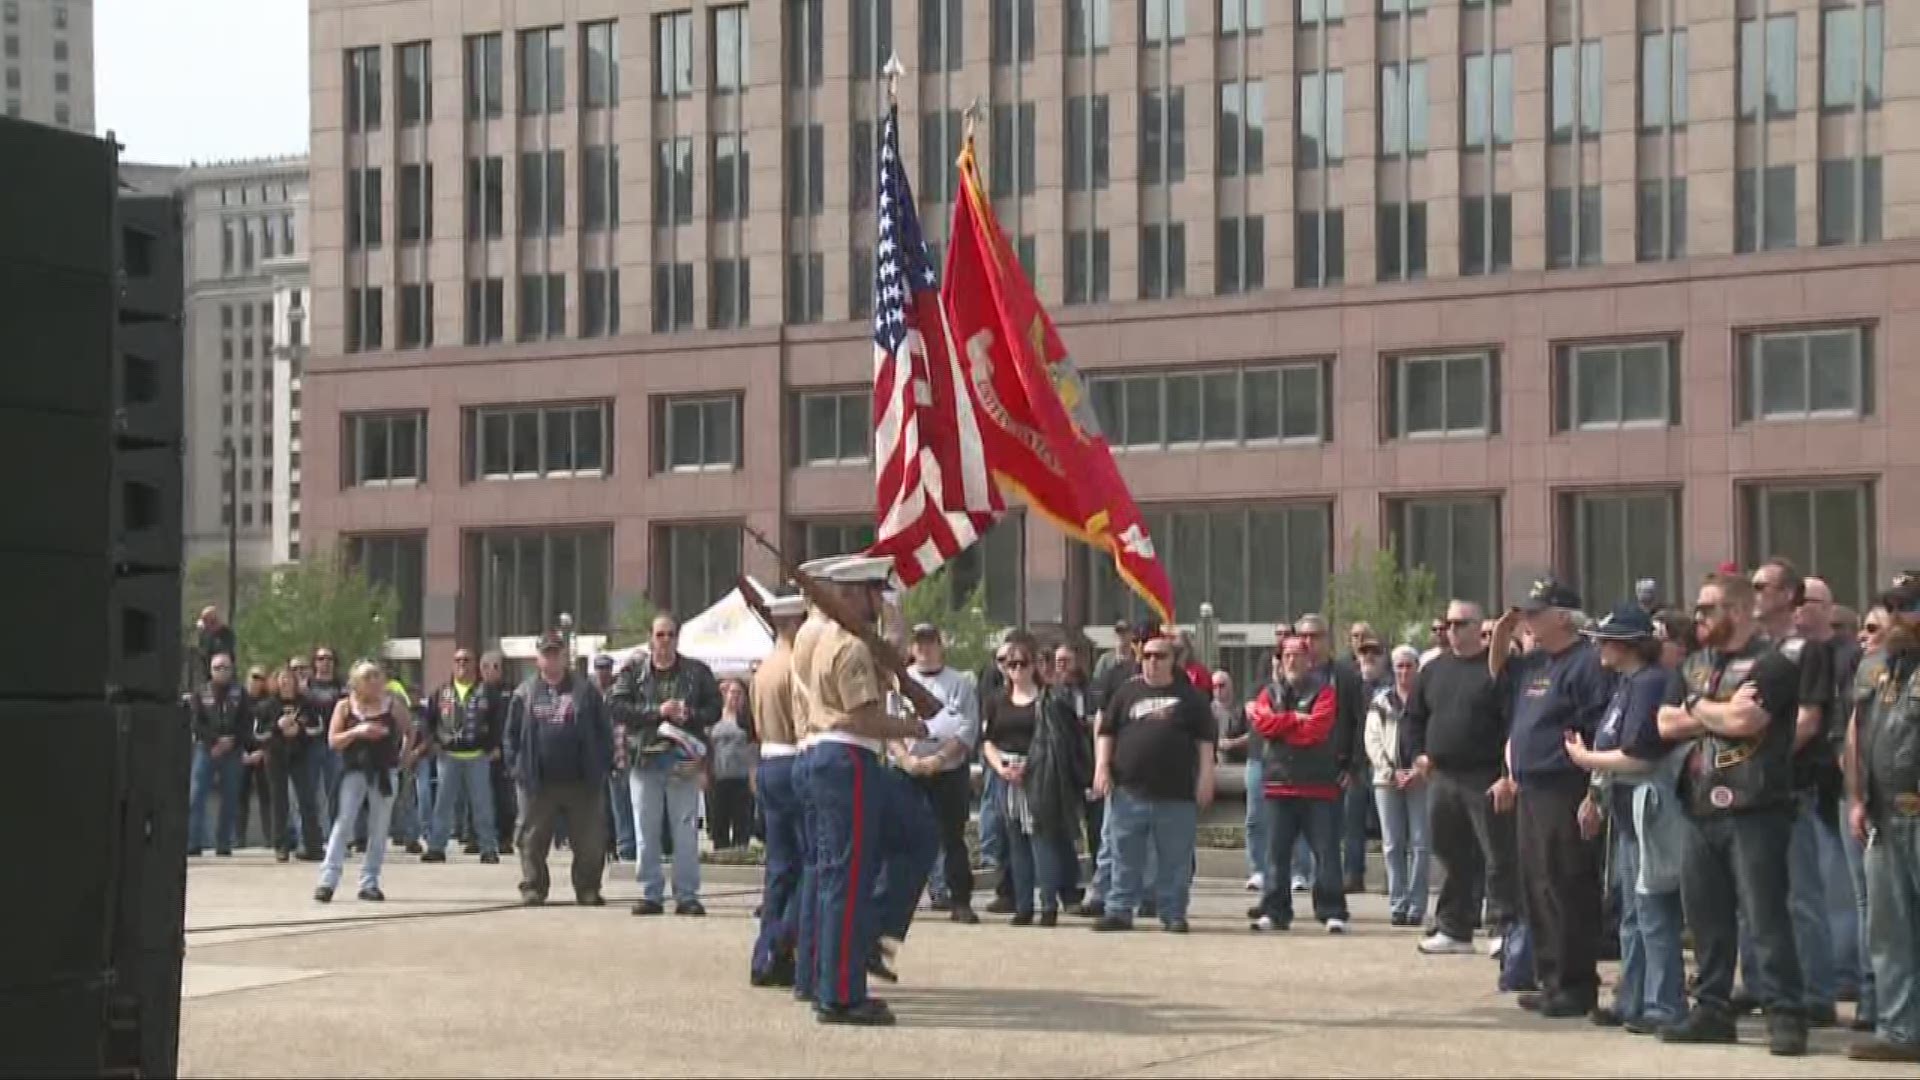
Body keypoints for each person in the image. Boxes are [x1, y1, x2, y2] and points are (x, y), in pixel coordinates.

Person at [1655, 572, 1807, 1056]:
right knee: (1706, 918)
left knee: (1765, 916)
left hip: (1755, 806)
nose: (1698, 617)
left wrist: (1697, 708)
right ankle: (1711, 1010)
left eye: (1708, 609)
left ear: (1738, 611)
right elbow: (1664, 723)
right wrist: (1711, 707)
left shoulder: (1773, 663)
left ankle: (1785, 1013)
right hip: (1699, 803)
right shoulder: (1696, 663)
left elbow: (1747, 722)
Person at [794, 554, 934, 1026]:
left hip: (836, 759)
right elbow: (862, 716)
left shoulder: (842, 639)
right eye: (875, 591)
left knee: (845, 875)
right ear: (854, 594)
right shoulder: (849, 646)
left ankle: (834, 977)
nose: (882, 598)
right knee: (847, 880)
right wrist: (911, 727)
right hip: (847, 757)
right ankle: (840, 994)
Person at [1488, 578, 1612, 1018]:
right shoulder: (1535, 662)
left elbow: (1600, 727)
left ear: (1563, 617)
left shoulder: (1587, 663)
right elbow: (1499, 672)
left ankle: (1576, 984)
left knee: (1567, 886)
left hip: (1565, 786)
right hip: (1531, 788)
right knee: (1536, 887)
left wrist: (1595, 792)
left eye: (1536, 613)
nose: (1529, 620)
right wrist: (1504, 630)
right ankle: (1550, 977)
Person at [1563, 605, 1688, 1036]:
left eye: (1605, 639)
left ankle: (1664, 1003)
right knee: (1632, 913)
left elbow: (1639, 755)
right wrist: (1595, 792)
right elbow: (1614, 745)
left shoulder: (1652, 682)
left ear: (1627, 644)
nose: (1598, 645)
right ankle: (1632, 998)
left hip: (1648, 805)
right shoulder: (1625, 684)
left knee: (1653, 909)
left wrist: (1584, 759)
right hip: (1624, 806)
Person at [1744, 558, 1838, 1025]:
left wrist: (1753, 746)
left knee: (1802, 896)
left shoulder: (1808, 650)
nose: (1753, 592)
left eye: (1761, 585)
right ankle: (1763, 985)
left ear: (1787, 595)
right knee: (1757, 897)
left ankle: (1818, 993)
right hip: (1751, 791)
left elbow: (1808, 719)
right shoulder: (1756, 649)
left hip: (1792, 786)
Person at [1402, 600, 1516, 956]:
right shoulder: (1432, 671)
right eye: (1447, 624)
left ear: (1479, 626)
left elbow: (1513, 723)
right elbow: (1412, 719)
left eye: (1460, 624)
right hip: (1442, 776)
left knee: (1497, 855)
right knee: (1450, 852)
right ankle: (1454, 927)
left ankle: (1503, 926)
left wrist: (1506, 775)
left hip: (1484, 774)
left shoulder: (1496, 669)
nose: (1452, 630)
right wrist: (1418, 754)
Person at [1092, 631, 1216, 934]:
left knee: (1175, 860)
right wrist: (1101, 767)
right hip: (1128, 791)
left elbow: (1204, 742)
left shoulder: (1191, 697)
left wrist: (1206, 778)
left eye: (1160, 656)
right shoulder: (1126, 694)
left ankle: (1173, 913)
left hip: (1176, 794)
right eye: (1146, 656)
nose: (1152, 662)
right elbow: (1106, 733)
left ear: (1173, 661)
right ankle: (1119, 911)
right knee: (1123, 854)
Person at [1844, 583, 1920, 1062]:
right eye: (1889, 609)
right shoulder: (1873, 668)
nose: (1895, 618)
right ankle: (1900, 1030)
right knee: (1888, 929)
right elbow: (1859, 734)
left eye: (1907, 609)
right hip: (1884, 813)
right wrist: (1856, 798)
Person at [610, 613, 721, 917]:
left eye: (671, 634)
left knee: (685, 832)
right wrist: (656, 711)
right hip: (645, 760)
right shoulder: (633, 672)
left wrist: (691, 714)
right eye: (660, 635)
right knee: (646, 831)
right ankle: (651, 893)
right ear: (650, 638)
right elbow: (617, 706)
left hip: (682, 762)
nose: (666, 641)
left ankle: (687, 895)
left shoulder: (696, 672)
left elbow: (715, 709)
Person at [504, 630, 614, 907]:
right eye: (546, 653)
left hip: (581, 780)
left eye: (556, 653)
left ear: (565, 657)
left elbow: (604, 731)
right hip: (538, 782)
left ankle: (588, 889)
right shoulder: (524, 693)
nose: (551, 659)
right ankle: (533, 887)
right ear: (538, 658)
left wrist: (601, 765)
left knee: (590, 840)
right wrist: (517, 768)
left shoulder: (585, 690)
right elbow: (511, 735)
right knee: (531, 839)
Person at [1249, 635, 1350, 934]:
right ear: (1280, 661)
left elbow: (1316, 732)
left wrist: (1282, 727)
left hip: (1318, 786)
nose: (1292, 661)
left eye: (1298, 655)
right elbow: (1262, 726)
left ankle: (1332, 912)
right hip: (1278, 785)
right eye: (1286, 656)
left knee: (1326, 853)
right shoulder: (1268, 693)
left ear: (1309, 660)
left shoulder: (1325, 692)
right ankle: (1274, 911)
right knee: (1276, 854)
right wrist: (1293, 718)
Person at [982, 635, 1085, 926]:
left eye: (1022, 663)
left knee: (1042, 841)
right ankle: (1023, 905)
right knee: (1015, 843)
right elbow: (987, 740)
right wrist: (1001, 767)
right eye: (1010, 664)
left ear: (1033, 667)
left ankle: (1048, 904)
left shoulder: (1048, 700)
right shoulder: (996, 701)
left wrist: (1029, 767)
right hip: (1006, 773)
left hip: (1040, 775)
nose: (1016, 670)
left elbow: (1059, 743)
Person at [901, 623, 983, 924]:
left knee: (952, 839)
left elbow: (966, 729)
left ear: (940, 645)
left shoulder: (959, 683)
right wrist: (906, 760)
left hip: (948, 770)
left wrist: (938, 759)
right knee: (904, 839)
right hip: (909, 770)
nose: (924, 649)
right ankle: (901, 902)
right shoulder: (901, 681)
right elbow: (888, 725)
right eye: (918, 643)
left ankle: (960, 900)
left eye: (930, 642)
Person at [750, 593, 809, 988]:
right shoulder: (797, 668)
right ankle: (778, 943)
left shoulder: (763, 670)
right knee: (811, 864)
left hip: (769, 761)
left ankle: (765, 956)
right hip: (795, 760)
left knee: (779, 867)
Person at [314, 660, 404, 903]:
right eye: (368, 677)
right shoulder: (344, 707)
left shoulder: (393, 705)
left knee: (379, 827)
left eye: (377, 676)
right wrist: (357, 732)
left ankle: (369, 882)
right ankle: (327, 880)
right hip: (354, 770)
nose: (374, 681)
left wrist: (403, 757)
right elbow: (333, 741)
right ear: (357, 682)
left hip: (384, 771)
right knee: (344, 823)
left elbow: (409, 731)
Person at [1292, 614, 1369, 894]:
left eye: (1315, 637)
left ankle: (1333, 890)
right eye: (1304, 637)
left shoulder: (1346, 677)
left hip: (1336, 769)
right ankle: (1305, 882)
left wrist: (1353, 767)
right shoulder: (1290, 677)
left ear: (1328, 640)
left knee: (1334, 833)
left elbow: (1360, 722)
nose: (1309, 643)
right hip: (1297, 770)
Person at [418, 648, 502, 865]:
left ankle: (488, 848)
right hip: (449, 757)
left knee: (483, 804)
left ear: (475, 664)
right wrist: (433, 743)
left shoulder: (487, 692)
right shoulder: (441, 692)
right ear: (452, 664)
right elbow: (427, 720)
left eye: (467, 660)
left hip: (478, 757)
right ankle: (436, 847)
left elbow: (498, 721)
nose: (462, 664)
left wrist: (494, 746)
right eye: (458, 660)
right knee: (443, 805)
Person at [1366, 646, 1430, 928]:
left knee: (1421, 844)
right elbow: (1372, 740)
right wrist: (1390, 771)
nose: (1404, 672)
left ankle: (1417, 906)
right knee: (1392, 845)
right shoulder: (1381, 701)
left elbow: (1435, 736)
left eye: (1409, 666)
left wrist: (1419, 769)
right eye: (1399, 666)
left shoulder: (1428, 700)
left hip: (1421, 778)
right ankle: (1398, 903)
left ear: (1417, 668)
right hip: (1386, 780)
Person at [249, 667, 323, 862]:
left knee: (306, 799)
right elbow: (257, 734)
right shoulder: (266, 706)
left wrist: (300, 729)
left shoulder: (307, 704)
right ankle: (280, 846)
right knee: (278, 801)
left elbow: (317, 729)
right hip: (275, 756)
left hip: (300, 755)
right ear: (276, 682)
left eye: (289, 679)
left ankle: (312, 845)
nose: (286, 682)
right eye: (282, 679)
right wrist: (277, 727)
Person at [188, 653, 249, 857]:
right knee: (197, 795)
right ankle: (193, 842)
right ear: (211, 670)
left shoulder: (240, 693)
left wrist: (231, 741)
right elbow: (197, 722)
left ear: (232, 669)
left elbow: (246, 721)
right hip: (207, 749)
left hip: (233, 749)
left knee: (230, 796)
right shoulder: (201, 692)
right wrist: (215, 741)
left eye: (226, 668)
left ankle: (224, 843)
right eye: (217, 668)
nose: (222, 671)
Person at [591, 654, 636, 862]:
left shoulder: (617, 692)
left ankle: (625, 848)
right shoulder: (590, 694)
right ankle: (609, 846)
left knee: (622, 805)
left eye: (606, 669)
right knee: (604, 808)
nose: (603, 673)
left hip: (619, 755)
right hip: (598, 759)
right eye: (599, 669)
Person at [707, 678, 758, 850]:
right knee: (718, 822)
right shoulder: (714, 717)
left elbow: (753, 750)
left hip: (741, 777)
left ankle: (740, 853)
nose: (735, 697)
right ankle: (720, 854)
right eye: (732, 692)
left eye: (739, 693)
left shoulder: (747, 720)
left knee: (741, 823)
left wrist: (753, 777)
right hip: (718, 776)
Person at [304, 647, 348, 830]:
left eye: (329, 658)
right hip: (312, 744)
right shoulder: (307, 686)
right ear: (314, 662)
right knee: (310, 792)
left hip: (336, 745)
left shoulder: (342, 686)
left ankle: (336, 837)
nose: (325, 662)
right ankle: (312, 837)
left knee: (336, 793)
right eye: (320, 658)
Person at [235, 666, 276, 848]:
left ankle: (271, 837)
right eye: (254, 677)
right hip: (241, 752)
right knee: (239, 796)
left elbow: (273, 728)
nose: (258, 681)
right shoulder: (237, 700)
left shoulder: (270, 702)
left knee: (267, 796)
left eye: (262, 678)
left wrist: (262, 751)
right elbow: (231, 726)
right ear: (247, 678)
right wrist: (241, 752)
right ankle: (238, 838)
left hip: (263, 753)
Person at [194, 606, 236, 688]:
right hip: (207, 676)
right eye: (204, 621)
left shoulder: (227, 634)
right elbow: (202, 652)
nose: (206, 624)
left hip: (224, 675)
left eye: (208, 621)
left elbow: (222, 654)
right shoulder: (205, 634)